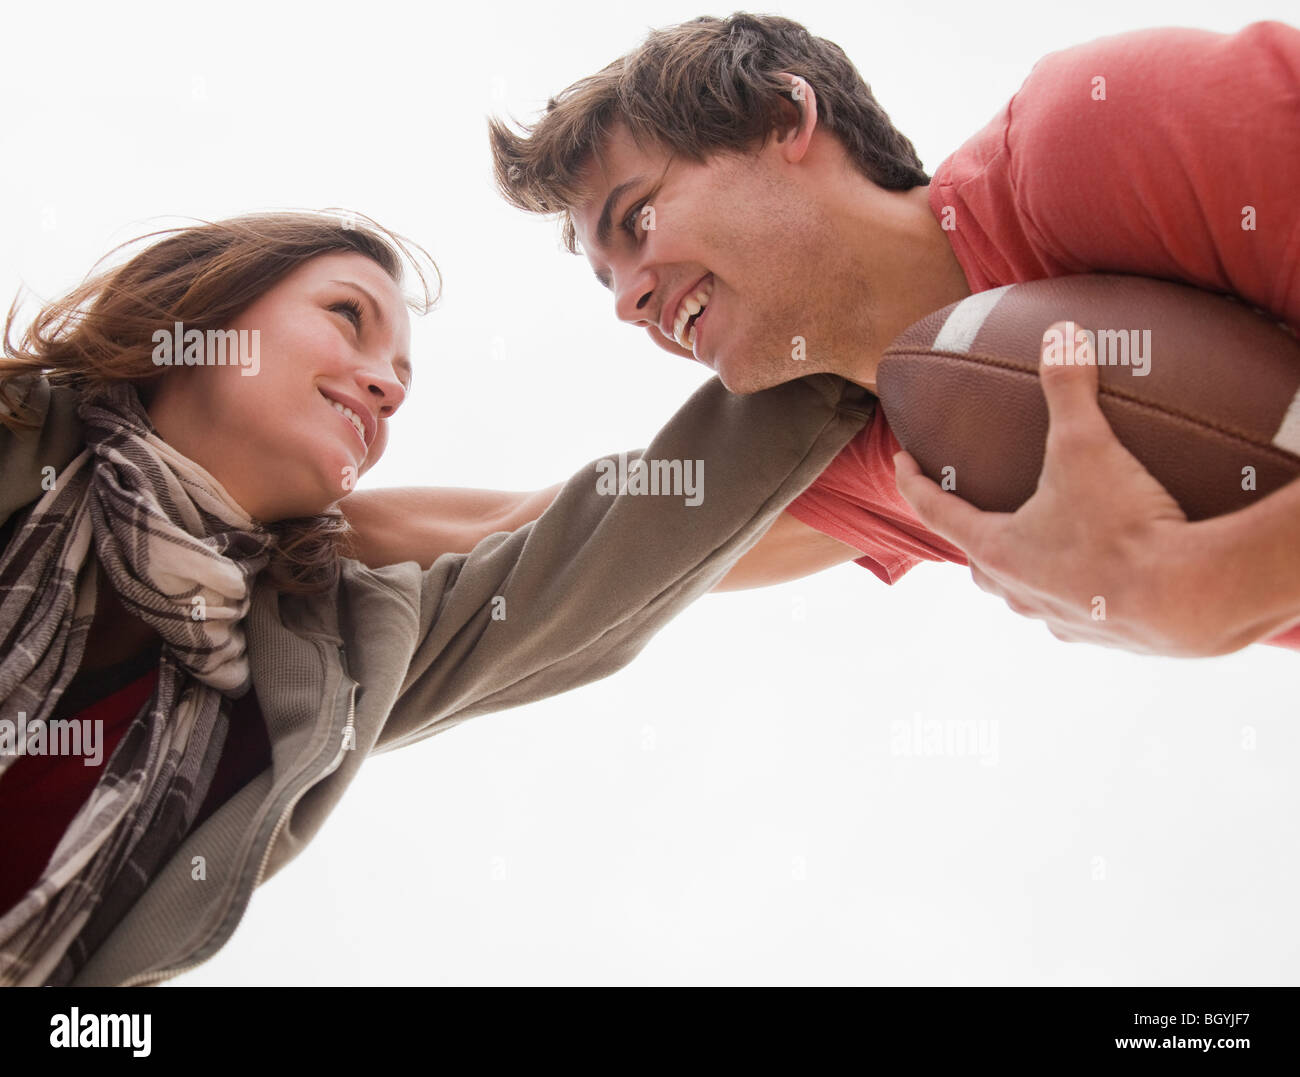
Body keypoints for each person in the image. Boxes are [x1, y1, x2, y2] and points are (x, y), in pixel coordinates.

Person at [0, 210, 871, 985]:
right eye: (348, 316)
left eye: (399, 376)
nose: (387, 385)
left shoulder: (334, 653)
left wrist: (864, 326)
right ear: (201, 312)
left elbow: (618, 543)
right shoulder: (19, 427)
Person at [475, 11, 1300, 656]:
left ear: (785, 117)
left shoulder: (1083, 136)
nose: (628, 303)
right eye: (609, 281)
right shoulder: (872, 464)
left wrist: (1214, 582)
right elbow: (543, 540)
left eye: (638, 220)